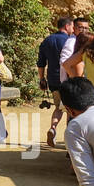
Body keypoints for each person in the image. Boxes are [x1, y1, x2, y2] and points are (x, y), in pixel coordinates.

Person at [38, 18, 74, 147]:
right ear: (67, 26)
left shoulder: (47, 40)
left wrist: (42, 79)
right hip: (69, 78)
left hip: (53, 79)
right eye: (72, 26)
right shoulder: (71, 41)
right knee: (72, 109)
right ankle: (70, 140)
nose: (73, 29)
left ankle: (53, 128)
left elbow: (41, 63)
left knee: (58, 107)